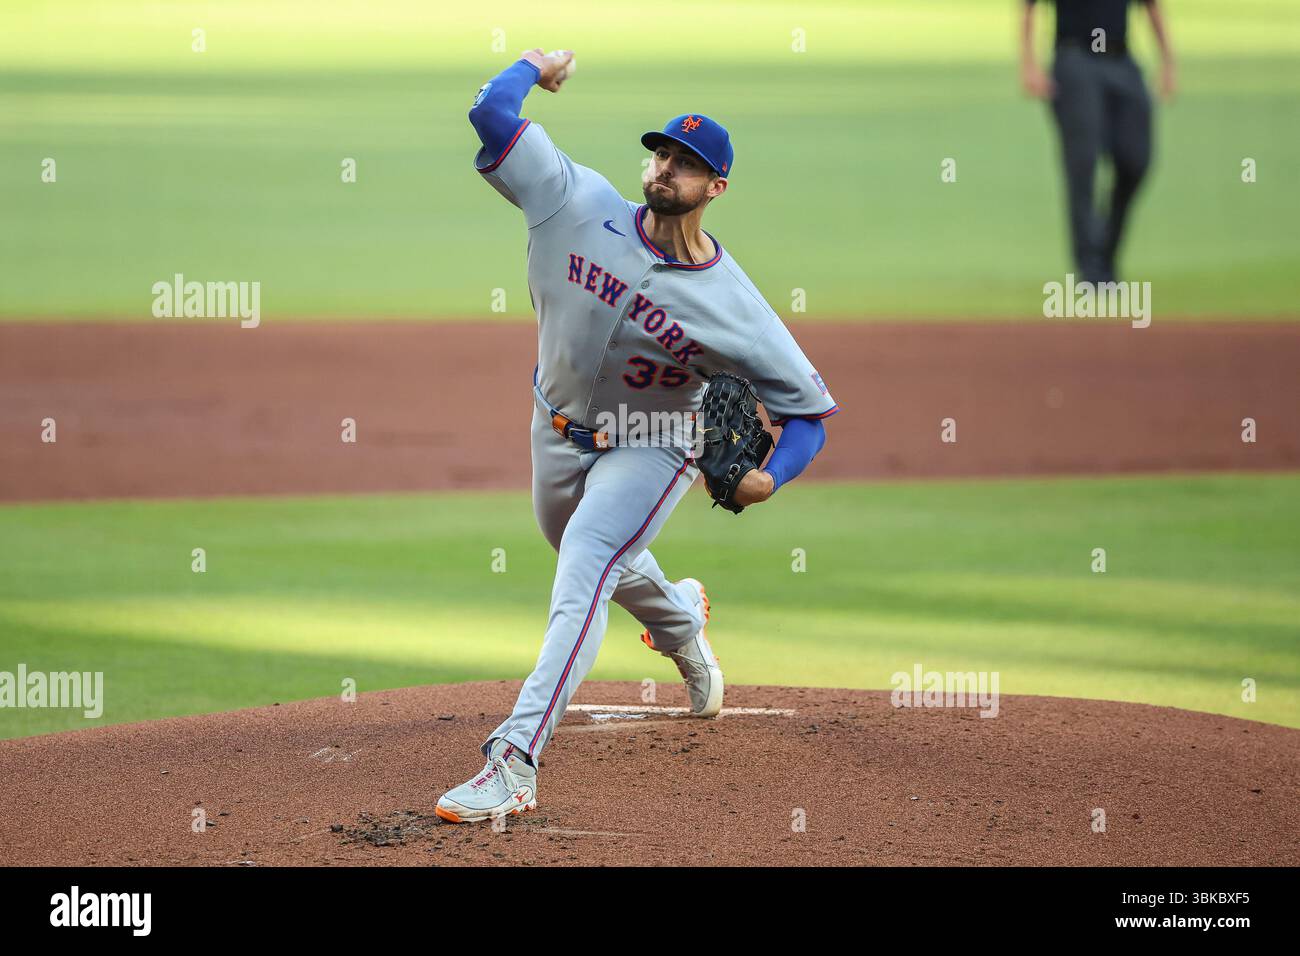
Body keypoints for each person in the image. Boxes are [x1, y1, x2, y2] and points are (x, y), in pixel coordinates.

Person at [434, 49, 839, 823]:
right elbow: (490, 114)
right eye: (661, 152)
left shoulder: (735, 306)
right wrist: (531, 66)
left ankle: (514, 760)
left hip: (656, 439)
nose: (666, 168)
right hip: (553, 425)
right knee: (581, 546)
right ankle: (682, 619)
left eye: (687, 163)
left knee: (586, 561)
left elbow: (809, 415)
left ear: (715, 188)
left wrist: (769, 476)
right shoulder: (575, 200)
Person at [1021, 0, 1177, 282]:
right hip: (1076, 59)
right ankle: (1090, 270)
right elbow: (1029, 7)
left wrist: (1168, 62)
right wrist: (1029, 64)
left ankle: (1105, 252)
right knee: (1083, 164)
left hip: (1121, 59)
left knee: (1136, 160)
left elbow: (1152, 7)